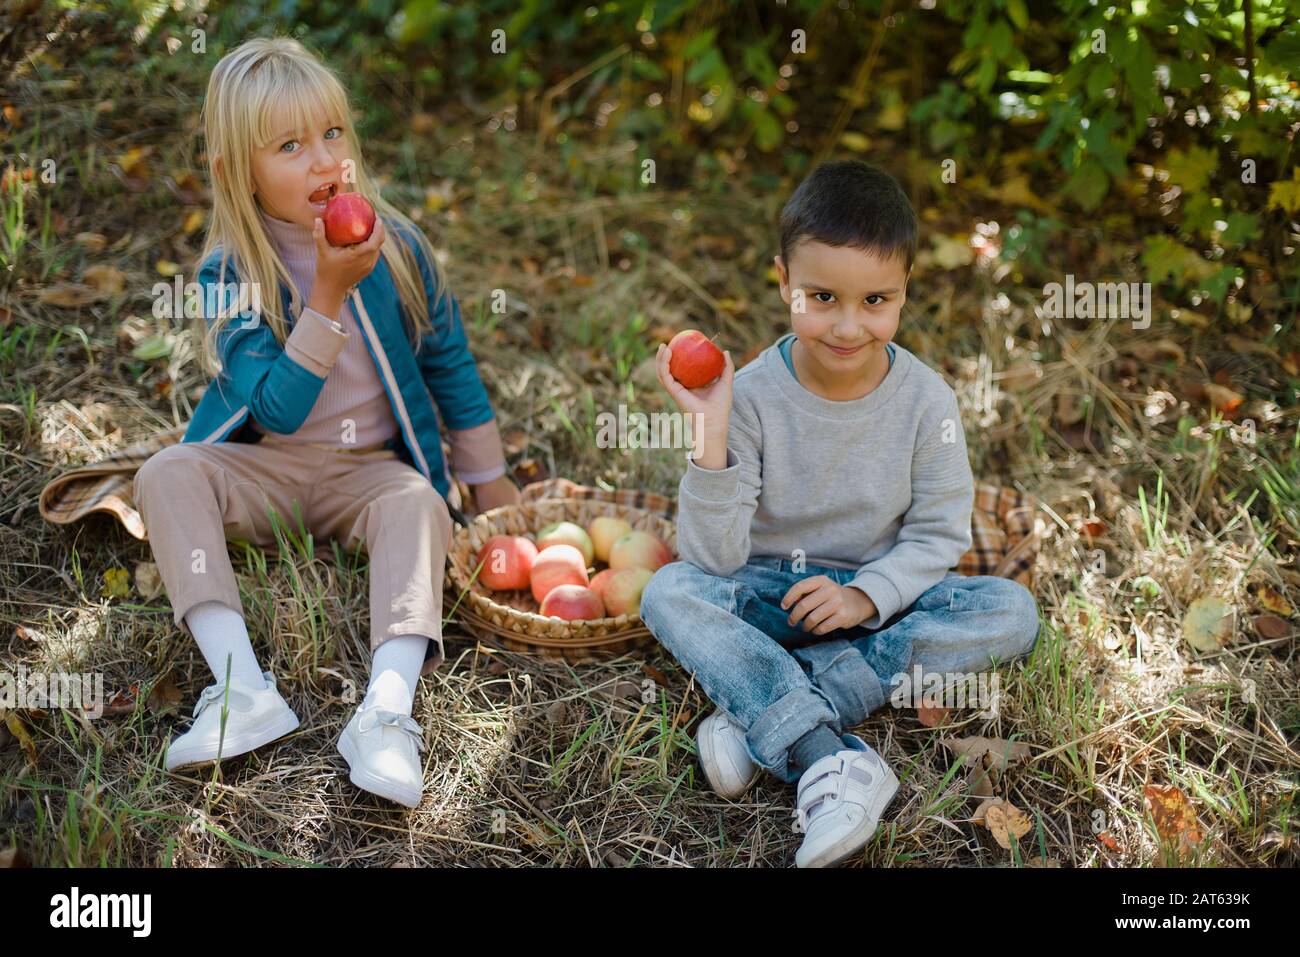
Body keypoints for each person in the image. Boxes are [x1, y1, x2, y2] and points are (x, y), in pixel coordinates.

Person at [133, 36, 519, 808]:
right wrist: (329, 296)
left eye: (332, 134)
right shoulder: (229, 274)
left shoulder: (399, 247)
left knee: (417, 504)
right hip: (266, 466)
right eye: (289, 145)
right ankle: (240, 685)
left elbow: (449, 362)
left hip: (367, 472)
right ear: (239, 173)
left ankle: (386, 708)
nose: (323, 161)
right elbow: (275, 406)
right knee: (166, 472)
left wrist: (488, 478)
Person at [640, 160, 1040, 867]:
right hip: (771, 593)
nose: (849, 325)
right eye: (821, 297)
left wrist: (864, 595)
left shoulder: (927, 402)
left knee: (1010, 610)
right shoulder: (754, 395)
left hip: (874, 600)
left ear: (905, 290)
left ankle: (769, 712)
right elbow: (714, 560)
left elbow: (938, 533)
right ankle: (828, 756)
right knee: (670, 590)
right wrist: (710, 437)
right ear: (784, 282)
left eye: (876, 300)